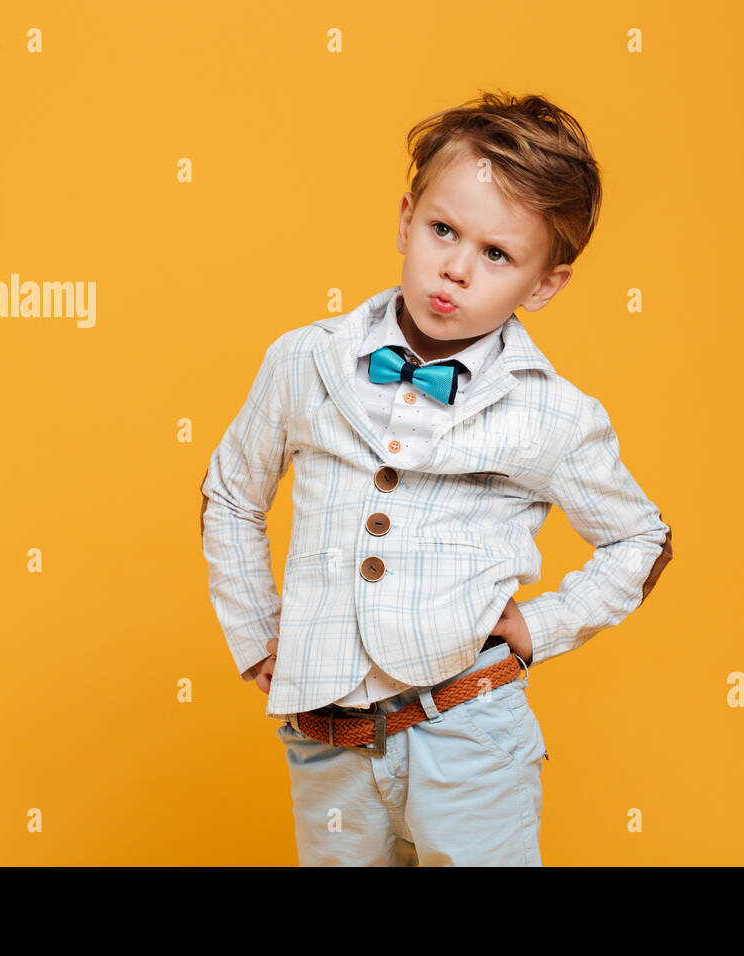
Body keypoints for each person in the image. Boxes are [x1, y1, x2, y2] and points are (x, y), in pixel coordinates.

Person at [200, 90, 672, 866]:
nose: (455, 266)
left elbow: (638, 538)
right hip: (330, 739)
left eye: (497, 255)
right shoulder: (304, 361)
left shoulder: (552, 413)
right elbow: (231, 493)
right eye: (443, 230)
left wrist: (543, 626)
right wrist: (257, 634)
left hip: (471, 728)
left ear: (544, 285)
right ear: (405, 218)